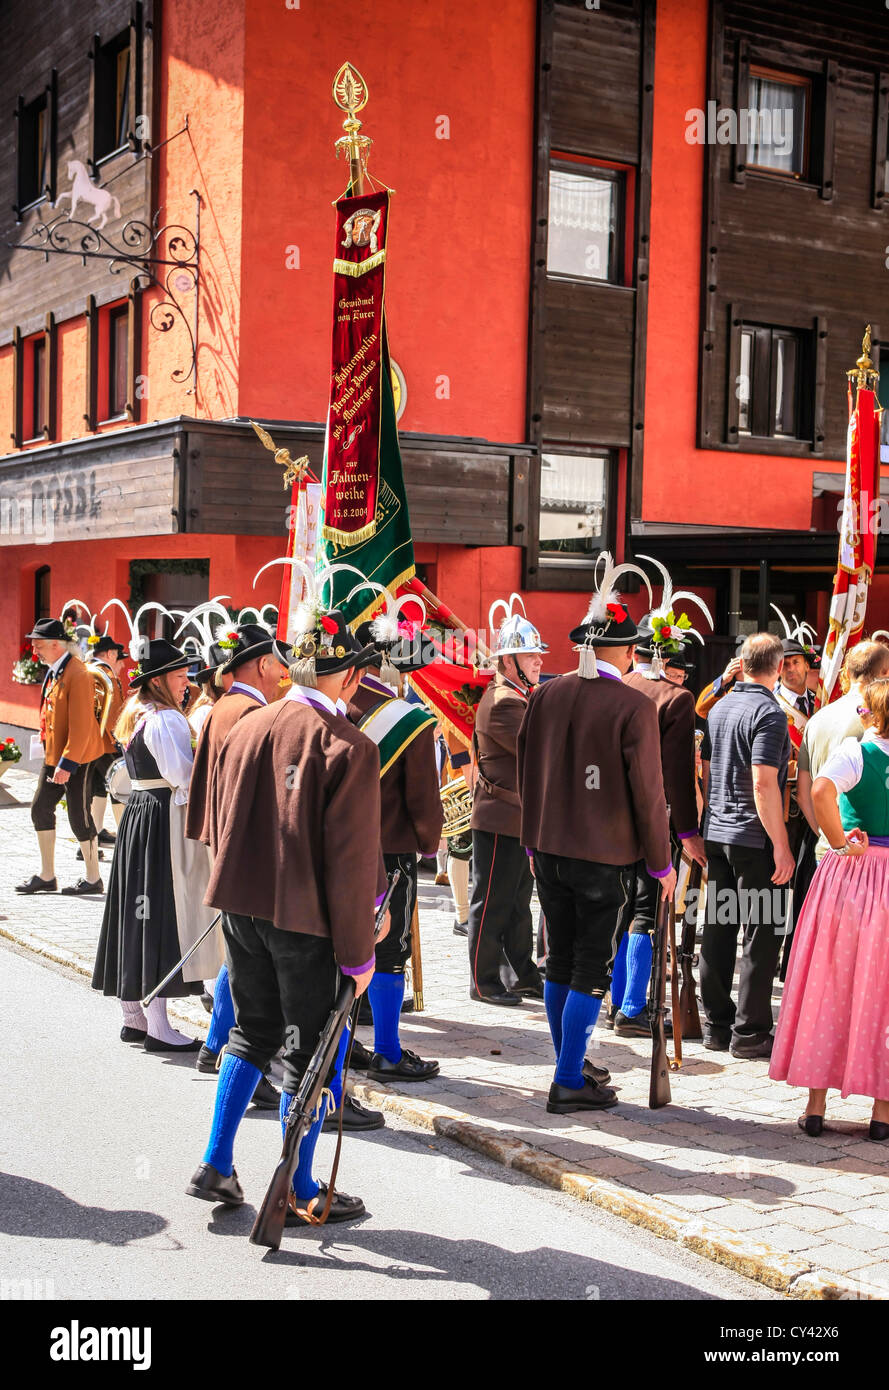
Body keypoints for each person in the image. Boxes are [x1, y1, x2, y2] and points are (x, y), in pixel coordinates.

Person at [187, 609, 387, 1223]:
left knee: (252, 1030)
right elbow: (351, 868)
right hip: (306, 924)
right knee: (309, 1054)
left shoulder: (247, 724)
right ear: (350, 678)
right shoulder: (348, 746)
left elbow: (214, 821)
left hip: (243, 907)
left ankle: (216, 1162)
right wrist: (359, 957)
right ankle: (299, 1188)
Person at [516, 555, 675, 1115]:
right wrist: (661, 864)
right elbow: (648, 795)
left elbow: (527, 772)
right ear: (628, 652)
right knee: (588, 967)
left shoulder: (545, 694)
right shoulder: (633, 705)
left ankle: (570, 1065)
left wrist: (531, 842)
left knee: (559, 960)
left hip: (550, 847)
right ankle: (566, 1076)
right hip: (604, 857)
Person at [769, 677, 889, 1142]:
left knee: (832, 980)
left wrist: (838, 843)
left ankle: (816, 1107)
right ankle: (882, 1112)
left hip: (853, 877)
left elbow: (819, 790)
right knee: (882, 991)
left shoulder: (858, 753)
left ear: (871, 713)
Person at [91, 639, 221, 1051]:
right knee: (163, 911)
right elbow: (182, 776)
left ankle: (134, 1017)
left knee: (136, 911)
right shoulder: (167, 720)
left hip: (140, 813)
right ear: (161, 680)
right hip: (163, 816)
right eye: (181, 676)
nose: (187, 684)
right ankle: (159, 1026)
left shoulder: (137, 713)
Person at [184, 617, 289, 1109]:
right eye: (280, 663)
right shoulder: (250, 711)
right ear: (264, 664)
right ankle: (240, 1056)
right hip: (242, 848)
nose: (285, 671)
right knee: (251, 964)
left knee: (235, 951)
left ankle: (213, 1044)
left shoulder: (226, 705)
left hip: (224, 842)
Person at [347, 612, 443, 1085]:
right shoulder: (410, 720)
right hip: (391, 852)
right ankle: (386, 1049)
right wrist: (431, 843)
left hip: (338, 852)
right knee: (390, 949)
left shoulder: (332, 705)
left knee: (341, 945)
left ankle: (342, 1045)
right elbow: (424, 802)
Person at [611, 579, 709, 1038]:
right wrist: (689, 834)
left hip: (610, 816)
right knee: (648, 911)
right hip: (655, 818)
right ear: (665, 658)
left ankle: (615, 1000)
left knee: (621, 906)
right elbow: (676, 777)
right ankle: (634, 1007)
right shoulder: (677, 699)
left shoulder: (624, 683)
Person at [699, 632, 793, 1059]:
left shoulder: (721, 707)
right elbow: (763, 782)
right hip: (752, 838)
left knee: (719, 930)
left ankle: (717, 1026)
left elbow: (707, 770)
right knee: (761, 934)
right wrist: (781, 844)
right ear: (776, 667)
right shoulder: (768, 713)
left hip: (718, 834)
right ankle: (750, 1032)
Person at [467, 595, 547, 1006]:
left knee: (517, 903)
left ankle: (522, 973)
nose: (537, 662)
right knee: (492, 901)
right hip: (500, 817)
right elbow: (538, 747)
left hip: (516, 816)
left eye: (536, 655)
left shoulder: (520, 697)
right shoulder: (503, 702)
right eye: (530, 655)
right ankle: (483, 981)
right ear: (510, 660)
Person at [15, 618, 105, 897]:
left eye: (39, 645)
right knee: (40, 808)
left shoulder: (77, 673)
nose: (35, 651)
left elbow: (81, 725)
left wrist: (67, 765)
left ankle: (93, 878)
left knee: (79, 817)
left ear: (56, 644)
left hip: (76, 756)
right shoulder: (56, 670)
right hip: (55, 754)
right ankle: (47, 876)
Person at [795, 640, 889, 864]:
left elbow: (803, 792)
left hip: (831, 849)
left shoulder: (816, 719)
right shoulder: (877, 719)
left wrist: (828, 837)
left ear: (847, 672)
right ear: (885, 672)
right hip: (867, 852)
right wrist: (842, 842)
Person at [84, 635, 127, 840]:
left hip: (90, 742)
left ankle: (96, 831)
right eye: (117, 654)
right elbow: (110, 713)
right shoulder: (104, 674)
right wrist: (118, 739)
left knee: (97, 787)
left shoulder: (88, 669)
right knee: (120, 785)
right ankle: (126, 838)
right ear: (110, 654)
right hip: (105, 742)